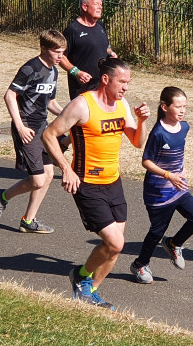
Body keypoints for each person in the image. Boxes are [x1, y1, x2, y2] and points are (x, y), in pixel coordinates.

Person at [41, 57, 150, 308]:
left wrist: (142, 122)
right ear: (106, 79)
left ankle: (89, 292)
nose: (126, 87)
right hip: (87, 183)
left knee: (115, 248)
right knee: (115, 242)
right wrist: (66, 169)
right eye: (122, 82)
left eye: (128, 82)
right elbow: (49, 135)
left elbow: (137, 142)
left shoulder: (122, 104)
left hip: (114, 182)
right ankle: (81, 277)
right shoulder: (82, 105)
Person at [0, 29, 68, 233]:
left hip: (42, 127)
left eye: (63, 52)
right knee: (37, 180)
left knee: (48, 175)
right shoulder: (30, 68)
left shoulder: (54, 71)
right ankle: (2, 196)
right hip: (26, 128)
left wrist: (68, 116)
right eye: (57, 52)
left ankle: (28, 220)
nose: (61, 56)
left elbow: (50, 101)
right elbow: (9, 95)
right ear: (44, 48)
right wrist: (20, 126)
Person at [130, 86, 193, 284]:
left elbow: (178, 153)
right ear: (164, 107)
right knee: (157, 231)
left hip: (178, 187)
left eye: (184, 107)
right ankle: (140, 264)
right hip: (158, 192)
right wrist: (168, 175)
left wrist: (181, 169)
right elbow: (146, 161)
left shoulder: (184, 127)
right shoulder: (158, 133)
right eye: (178, 107)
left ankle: (173, 244)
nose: (182, 111)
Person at [60, 0, 117, 101]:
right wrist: (76, 72)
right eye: (96, 4)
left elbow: (106, 47)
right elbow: (61, 56)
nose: (100, 7)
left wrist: (111, 54)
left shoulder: (100, 26)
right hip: (82, 88)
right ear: (84, 7)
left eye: (101, 4)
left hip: (102, 84)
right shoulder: (73, 30)